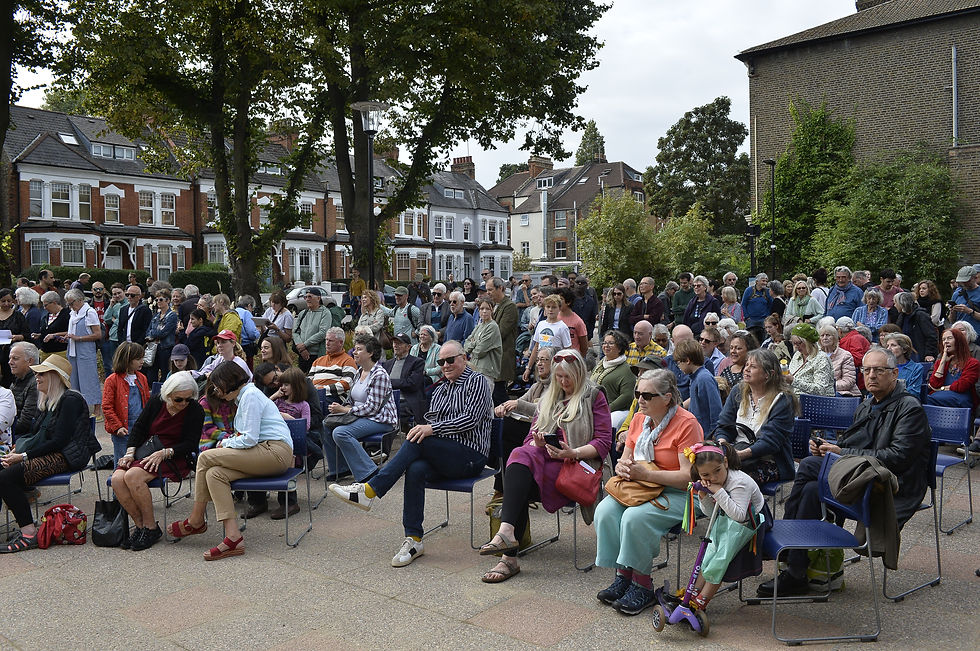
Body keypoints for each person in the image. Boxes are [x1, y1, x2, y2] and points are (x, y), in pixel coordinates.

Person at [757, 346, 930, 596]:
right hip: (858, 478)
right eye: (866, 370)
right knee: (811, 489)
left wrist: (840, 453)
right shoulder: (867, 405)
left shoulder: (910, 409)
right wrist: (830, 450)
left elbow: (897, 459)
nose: (871, 375)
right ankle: (796, 569)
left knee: (808, 466)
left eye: (879, 370)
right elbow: (853, 445)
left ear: (894, 374)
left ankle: (785, 547)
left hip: (890, 485)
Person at [329, 340, 492, 567]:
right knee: (415, 468)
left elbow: (470, 419)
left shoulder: (477, 382)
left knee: (419, 440)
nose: (445, 365)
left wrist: (431, 429)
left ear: (464, 358)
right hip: (443, 455)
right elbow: (434, 420)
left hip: (471, 456)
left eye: (450, 360)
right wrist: (428, 428)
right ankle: (414, 539)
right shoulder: (441, 388)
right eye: (441, 362)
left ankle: (371, 489)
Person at [479, 348, 612, 582]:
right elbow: (530, 437)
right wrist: (538, 442)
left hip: (576, 465)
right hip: (547, 461)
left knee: (517, 475)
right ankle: (507, 534)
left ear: (579, 374)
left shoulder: (593, 396)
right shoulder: (551, 396)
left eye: (567, 377)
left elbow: (602, 443)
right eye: (558, 377)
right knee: (521, 457)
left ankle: (508, 555)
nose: (562, 382)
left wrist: (572, 452)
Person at [593, 369, 703, 614]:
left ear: (667, 398)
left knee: (635, 517)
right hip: (640, 487)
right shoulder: (639, 420)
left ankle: (642, 586)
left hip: (679, 493)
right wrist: (622, 466)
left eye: (647, 395)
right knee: (606, 511)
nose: (640, 399)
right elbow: (626, 458)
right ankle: (624, 575)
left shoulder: (686, 424)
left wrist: (649, 475)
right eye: (637, 393)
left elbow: (689, 477)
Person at [168, 361, 293, 560]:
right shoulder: (243, 398)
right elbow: (246, 437)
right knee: (214, 474)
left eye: (217, 385)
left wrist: (224, 445)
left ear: (228, 381)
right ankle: (233, 537)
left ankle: (196, 519)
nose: (216, 391)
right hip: (264, 451)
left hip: (275, 452)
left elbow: (249, 437)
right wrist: (229, 443)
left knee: (206, 457)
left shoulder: (250, 395)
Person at [0, 355, 98, 553]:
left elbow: (59, 441)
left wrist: (24, 456)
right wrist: (17, 447)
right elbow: (35, 433)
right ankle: (25, 523)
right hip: (53, 452)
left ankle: (29, 534)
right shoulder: (46, 401)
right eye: (36, 374)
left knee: (7, 476)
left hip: (68, 455)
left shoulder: (70, 399)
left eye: (42, 374)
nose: (37, 378)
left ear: (55, 377)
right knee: (3, 468)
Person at [110, 372, 203, 550]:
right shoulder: (156, 402)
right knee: (116, 479)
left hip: (175, 455)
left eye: (188, 399)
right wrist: (130, 453)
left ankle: (151, 527)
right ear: (168, 395)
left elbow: (191, 444)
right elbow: (139, 428)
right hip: (149, 451)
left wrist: (165, 453)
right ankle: (140, 526)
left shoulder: (195, 410)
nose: (184, 403)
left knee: (133, 477)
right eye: (178, 399)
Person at [685, 441, 765, 612]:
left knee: (721, 558)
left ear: (726, 463)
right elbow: (709, 513)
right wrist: (704, 496)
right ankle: (693, 592)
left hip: (750, 523)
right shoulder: (711, 482)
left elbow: (739, 515)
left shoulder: (738, 483)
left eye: (717, 471)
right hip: (726, 520)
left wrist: (718, 491)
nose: (713, 478)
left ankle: (702, 600)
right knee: (709, 552)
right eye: (706, 475)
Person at [713, 349, 797, 486]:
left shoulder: (783, 400)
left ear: (769, 374)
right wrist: (723, 446)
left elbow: (771, 442)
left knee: (732, 480)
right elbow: (724, 425)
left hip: (771, 460)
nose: (746, 369)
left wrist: (739, 455)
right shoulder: (738, 392)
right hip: (737, 451)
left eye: (753, 367)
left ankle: (750, 508)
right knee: (708, 471)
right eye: (746, 365)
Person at [321, 335, 397, 481]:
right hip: (360, 416)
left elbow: (373, 408)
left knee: (340, 432)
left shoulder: (379, 374)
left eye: (359, 349)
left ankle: (369, 471)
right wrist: (341, 407)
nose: (354, 352)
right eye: (355, 349)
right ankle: (341, 469)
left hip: (381, 419)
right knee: (327, 423)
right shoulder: (359, 372)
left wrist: (346, 411)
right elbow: (351, 399)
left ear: (370, 353)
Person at [493, 347, 556, 499]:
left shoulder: (557, 387)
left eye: (544, 360)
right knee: (504, 435)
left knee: (504, 431)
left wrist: (517, 405)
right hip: (528, 431)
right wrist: (503, 407)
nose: (539, 364)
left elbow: (546, 411)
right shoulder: (537, 386)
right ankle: (508, 489)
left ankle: (503, 489)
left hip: (546, 433)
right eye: (538, 360)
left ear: (554, 363)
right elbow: (518, 402)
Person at [103, 342, 150, 465]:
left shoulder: (142, 378)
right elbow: (107, 407)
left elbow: (147, 403)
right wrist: (117, 426)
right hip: (123, 429)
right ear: (127, 360)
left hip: (140, 427)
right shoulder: (112, 380)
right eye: (138, 359)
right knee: (122, 462)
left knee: (139, 462)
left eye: (142, 358)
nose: (142, 361)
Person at [673, 338, 723, 436]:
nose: (679, 366)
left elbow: (716, 409)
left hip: (706, 434)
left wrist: (712, 436)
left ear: (687, 360)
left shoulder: (704, 378)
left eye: (679, 363)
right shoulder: (694, 377)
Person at [591, 330, 636, 432]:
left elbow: (627, 396)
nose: (606, 346)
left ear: (620, 348)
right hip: (594, 407)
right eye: (605, 343)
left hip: (616, 411)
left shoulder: (626, 369)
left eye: (611, 343)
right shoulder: (599, 365)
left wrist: (606, 409)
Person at [522, 294, 572, 383]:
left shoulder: (562, 327)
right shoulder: (541, 324)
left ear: (559, 309)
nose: (550, 310)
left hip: (555, 365)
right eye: (548, 307)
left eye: (554, 307)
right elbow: (536, 347)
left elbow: (567, 350)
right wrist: (528, 368)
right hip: (541, 364)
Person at [925, 328, 979, 409]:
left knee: (925, 399)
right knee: (923, 399)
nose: (946, 341)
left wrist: (941, 388)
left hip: (962, 399)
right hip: (939, 398)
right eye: (943, 339)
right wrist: (943, 361)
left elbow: (962, 386)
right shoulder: (940, 362)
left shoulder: (972, 363)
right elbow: (934, 384)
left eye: (949, 338)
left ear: (959, 341)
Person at [382, 333, 427, 426]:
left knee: (388, 413)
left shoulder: (417, 362)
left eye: (399, 343)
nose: (395, 345)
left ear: (408, 347)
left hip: (406, 401)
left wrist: (389, 382)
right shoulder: (387, 364)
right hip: (387, 400)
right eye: (394, 343)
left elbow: (412, 384)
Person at [308, 327, 358, 406]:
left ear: (340, 343)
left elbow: (346, 384)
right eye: (326, 340)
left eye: (330, 341)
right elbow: (308, 381)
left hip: (335, 399)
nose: (327, 343)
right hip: (315, 395)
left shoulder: (348, 361)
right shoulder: (317, 361)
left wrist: (322, 390)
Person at [488, 276, 519, 402]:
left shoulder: (510, 307)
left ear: (500, 288)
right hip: (493, 359)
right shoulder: (496, 306)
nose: (488, 293)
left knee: (499, 394)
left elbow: (500, 333)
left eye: (490, 290)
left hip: (502, 358)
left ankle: (507, 420)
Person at [786, 323, 835, 397]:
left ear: (807, 342)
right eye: (793, 343)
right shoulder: (797, 355)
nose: (795, 346)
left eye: (798, 343)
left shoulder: (821, 358)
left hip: (816, 403)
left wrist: (794, 382)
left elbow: (820, 390)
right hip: (794, 399)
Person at [463, 297, 502, 384]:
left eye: (487, 309)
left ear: (492, 310)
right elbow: (465, 346)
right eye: (481, 308)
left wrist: (473, 343)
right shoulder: (479, 326)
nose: (484, 311)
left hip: (486, 372)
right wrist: (476, 343)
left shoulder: (492, 326)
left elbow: (479, 351)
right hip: (474, 370)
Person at [293, 288, 332, 373]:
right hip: (302, 354)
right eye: (305, 297)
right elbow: (295, 332)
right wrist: (302, 349)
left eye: (310, 296)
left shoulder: (325, 313)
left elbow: (323, 333)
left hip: (316, 355)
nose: (307, 299)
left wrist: (305, 345)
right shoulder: (303, 313)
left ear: (318, 298)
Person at [145, 289, 179, 384]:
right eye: (156, 300)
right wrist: (154, 333)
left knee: (165, 371)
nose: (158, 302)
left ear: (168, 301)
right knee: (151, 371)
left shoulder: (172, 315)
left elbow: (164, 332)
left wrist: (153, 334)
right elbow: (148, 331)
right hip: (154, 347)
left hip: (165, 347)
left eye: (161, 299)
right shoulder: (156, 316)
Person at [817, 323, 860, 397]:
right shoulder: (816, 355)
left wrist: (827, 387)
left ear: (835, 338)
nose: (825, 338)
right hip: (821, 392)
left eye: (828, 335)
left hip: (842, 393)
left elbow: (849, 381)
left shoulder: (845, 355)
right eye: (822, 335)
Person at [894, 291, 938, 362]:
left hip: (920, 354)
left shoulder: (921, 315)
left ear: (902, 303)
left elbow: (931, 336)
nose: (894, 305)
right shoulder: (901, 317)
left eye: (895, 303)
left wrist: (929, 353)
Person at [9, 342, 39, 438]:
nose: (10, 362)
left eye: (15, 358)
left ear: (30, 361)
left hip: (24, 435)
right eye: (10, 358)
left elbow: (26, 423)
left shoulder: (36, 383)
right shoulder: (17, 379)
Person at [0, 289, 28, 388]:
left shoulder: (18, 316)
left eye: (9, 301)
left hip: (13, 352)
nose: (6, 304)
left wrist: (18, 337)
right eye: (3, 301)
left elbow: (27, 334)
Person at [883, 333, 924, 399]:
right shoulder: (883, 367)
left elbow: (913, 393)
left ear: (904, 349)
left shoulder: (916, 368)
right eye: (887, 346)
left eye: (893, 345)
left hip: (905, 405)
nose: (888, 349)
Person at [836, 316, 871, 390]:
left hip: (858, 380)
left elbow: (857, 359)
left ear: (839, 330)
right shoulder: (853, 337)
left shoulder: (855, 338)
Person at [34, 291, 69, 361]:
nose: (44, 308)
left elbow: (71, 332)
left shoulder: (67, 315)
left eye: (46, 305)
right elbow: (48, 331)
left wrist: (54, 335)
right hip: (44, 353)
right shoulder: (45, 317)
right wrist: (40, 335)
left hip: (60, 353)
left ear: (54, 303)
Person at [235, 295, 262, 368]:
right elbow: (251, 334)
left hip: (235, 346)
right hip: (246, 348)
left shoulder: (233, 312)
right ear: (249, 306)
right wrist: (258, 331)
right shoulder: (246, 313)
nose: (252, 310)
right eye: (252, 308)